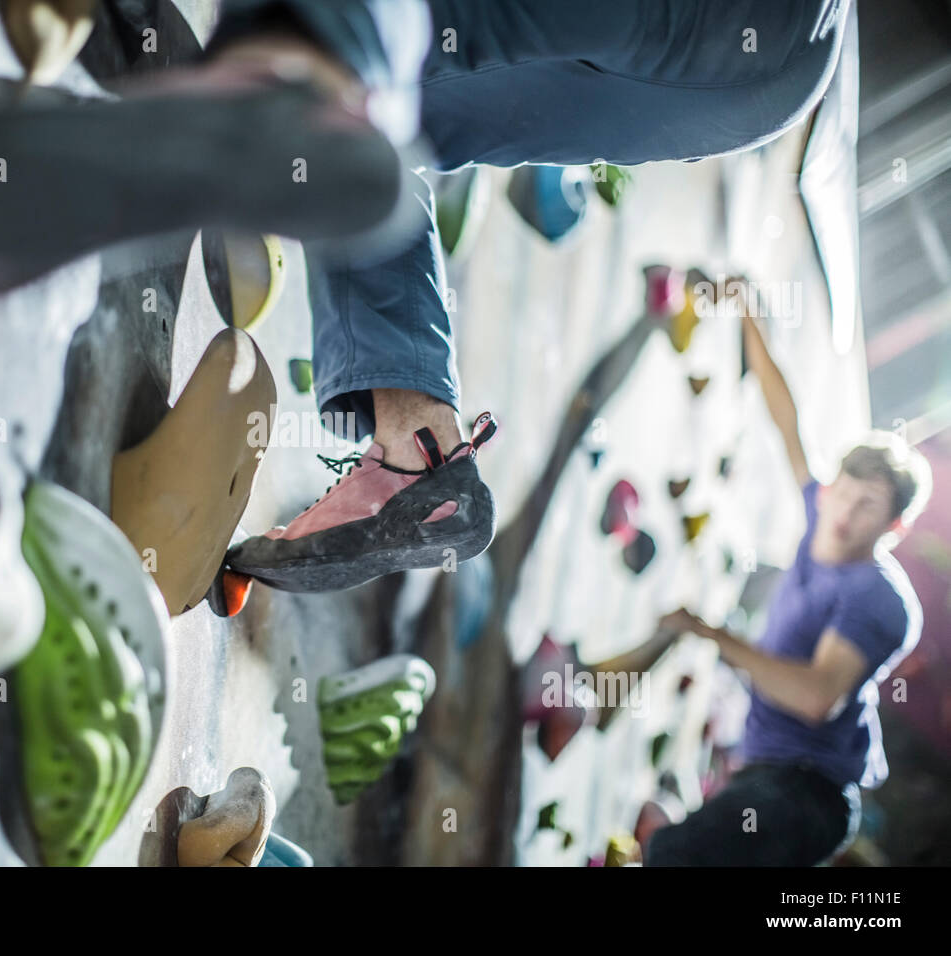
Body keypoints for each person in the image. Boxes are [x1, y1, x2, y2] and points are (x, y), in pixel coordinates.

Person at [221, 0, 852, 591]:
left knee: (337, 78)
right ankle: (415, 450)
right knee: (359, 101)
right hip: (782, 67)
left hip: (717, 33)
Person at [643, 287, 929, 867]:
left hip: (806, 795)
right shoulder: (821, 513)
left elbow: (815, 696)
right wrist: (750, 315)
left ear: (894, 524)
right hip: (768, 779)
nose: (845, 514)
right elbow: (787, 420)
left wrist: (712, 634)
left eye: (867, 505)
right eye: (843, 492)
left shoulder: (877, 598)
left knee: (672, 857)